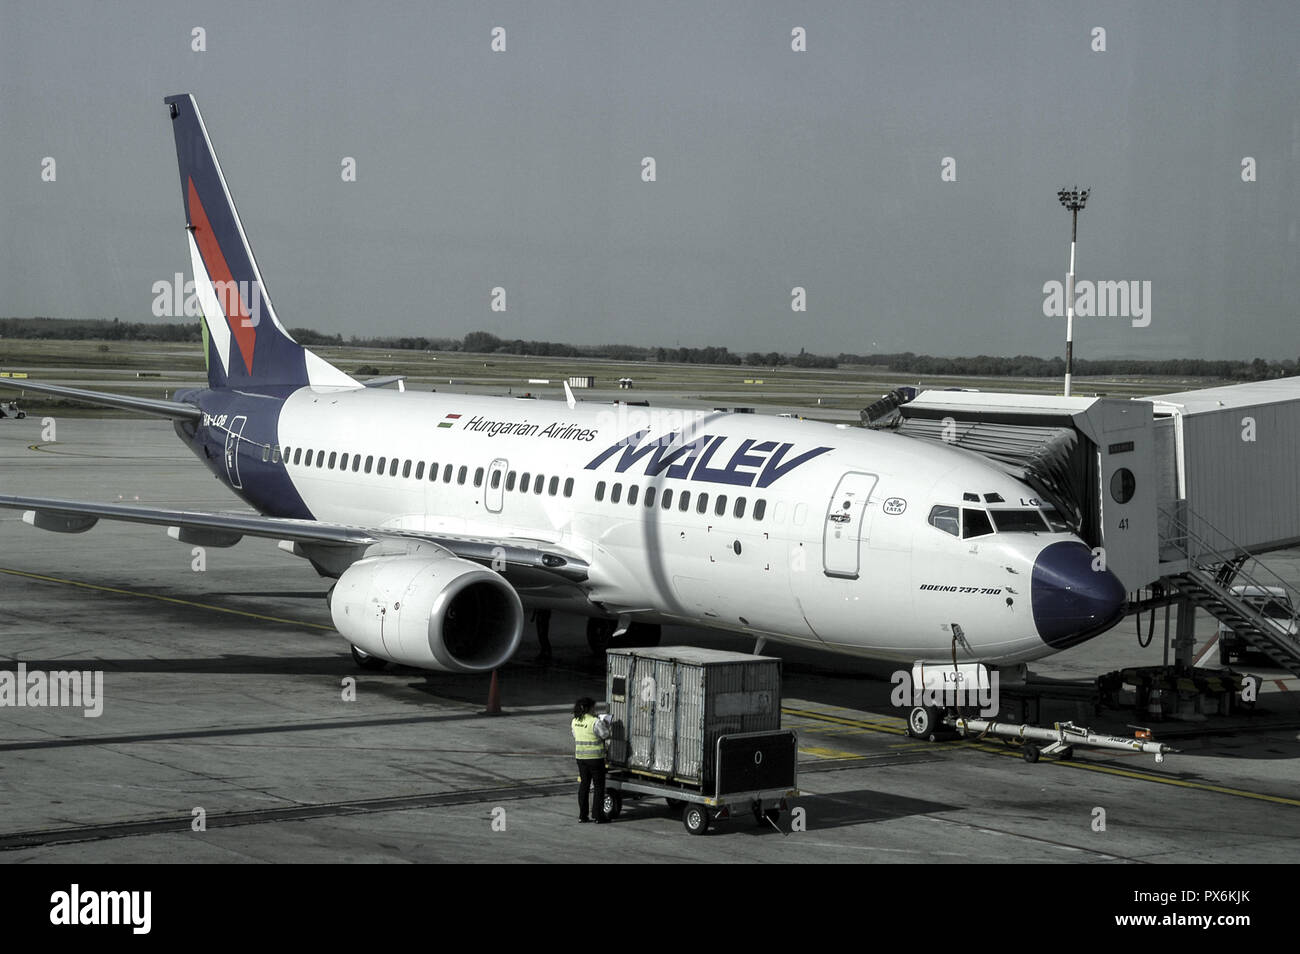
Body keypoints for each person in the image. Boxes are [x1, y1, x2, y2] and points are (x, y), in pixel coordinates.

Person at [571, 696, 607, 823]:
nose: (595, 710)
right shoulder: (595, 722)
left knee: (584, 785)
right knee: (598, 787)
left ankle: (583, 815)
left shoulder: (575, 721)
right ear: (590, 708)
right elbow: (605, 734)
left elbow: (575, 735)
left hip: (581, 758)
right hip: (595, 759)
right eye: (594, 707)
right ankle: (598, 816)